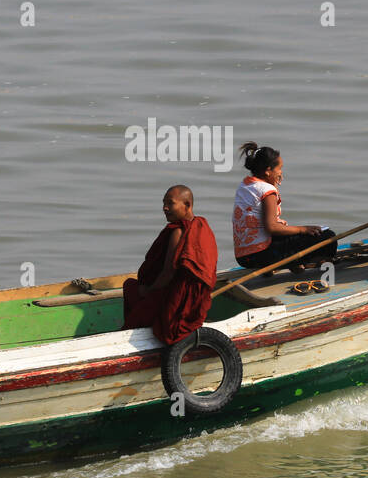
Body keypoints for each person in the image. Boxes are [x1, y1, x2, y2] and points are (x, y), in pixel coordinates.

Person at [122, 185, 219, 346]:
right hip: (193, 300)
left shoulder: (178, 232)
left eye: (170, 203)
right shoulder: (202, 227)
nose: (165, 208)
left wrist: (149, 291)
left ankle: (136, 330)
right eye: (163, 203)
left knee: (130, 287)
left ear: (187, 205)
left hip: (172, 295)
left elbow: (169, 272)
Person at [232, 142, 337, 275]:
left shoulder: (246, 184)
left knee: (292, 235)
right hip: (260, 255)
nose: (281, 172)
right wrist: (304, 229)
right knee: (329, 238)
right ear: (268, 171)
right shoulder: (266, 190)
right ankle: (300, 262)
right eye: (279, 169)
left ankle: (291, 262)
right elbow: (272, 227)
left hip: (242, 256)